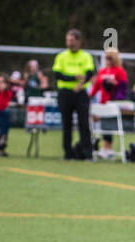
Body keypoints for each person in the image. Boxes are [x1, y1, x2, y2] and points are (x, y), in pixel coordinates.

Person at [52, 28, 95, 160]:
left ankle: (87, 153)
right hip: (65, 93)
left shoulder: (86, 56)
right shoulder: (61, 56)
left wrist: (81, 84)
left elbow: (89, 73)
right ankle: (68, 153)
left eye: (71, 40)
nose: (69, 42)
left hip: (81, 93)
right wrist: (74, 78)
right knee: (67, 124)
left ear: (78, 41)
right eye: (67, 40)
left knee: (84, 124)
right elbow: (57, 74)